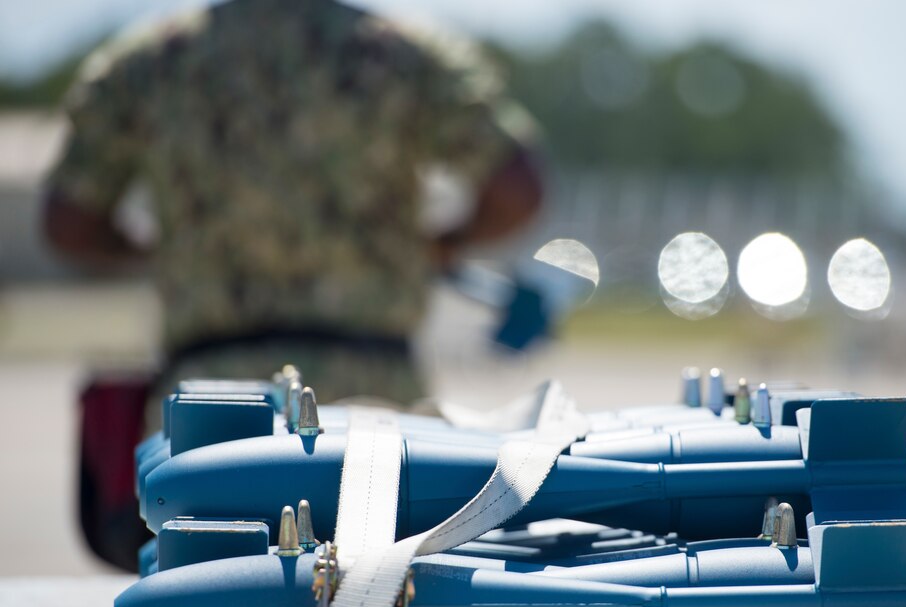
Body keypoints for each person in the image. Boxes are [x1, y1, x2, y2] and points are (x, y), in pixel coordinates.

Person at [42, 0, 544, 412]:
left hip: (206, 404)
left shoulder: (149, 65)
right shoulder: (403, 57)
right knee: (386, 535)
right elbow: (517, 189)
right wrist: (443, 242)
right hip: (373, 403)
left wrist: (161, 249)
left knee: (203, 533)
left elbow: (69, 223)